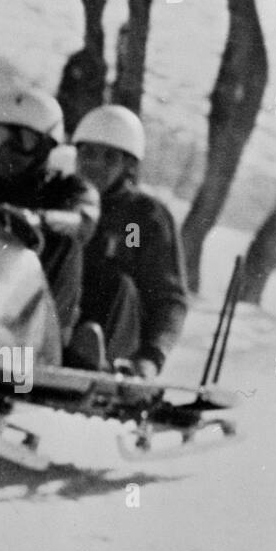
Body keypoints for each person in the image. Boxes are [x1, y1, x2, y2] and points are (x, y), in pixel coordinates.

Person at [0, 90, 100, 337]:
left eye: (23, 141)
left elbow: (82, 222)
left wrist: (37, 220)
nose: (5, 150)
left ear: (47, 146)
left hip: (30, 322)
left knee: (66, 245)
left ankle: (51, 342)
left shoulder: (69, 190)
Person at [72, 105, 189, 378]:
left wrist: (152, 356)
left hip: (117, 333)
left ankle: (90, 351)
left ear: (128, 165)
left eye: (109, 158)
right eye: (87, 153)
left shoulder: (139, 217)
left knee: (118, 279)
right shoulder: (60, 197)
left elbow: (167, 297)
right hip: (58, 321)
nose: (95, 165)